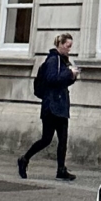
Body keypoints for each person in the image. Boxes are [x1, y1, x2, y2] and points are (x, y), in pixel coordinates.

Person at [18, 33, 78, 180]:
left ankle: (61, 170)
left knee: (63, 139)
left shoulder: (63, 60)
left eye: (70, 46)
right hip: (52, 107)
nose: (69, 49)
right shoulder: (53, 60)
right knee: (46, 139)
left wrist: (72, 76)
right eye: (67, 46)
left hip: (60, 105)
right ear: (60, 44)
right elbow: (52, 79)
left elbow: (62, 82)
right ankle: (24, 159)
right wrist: (69, 73)